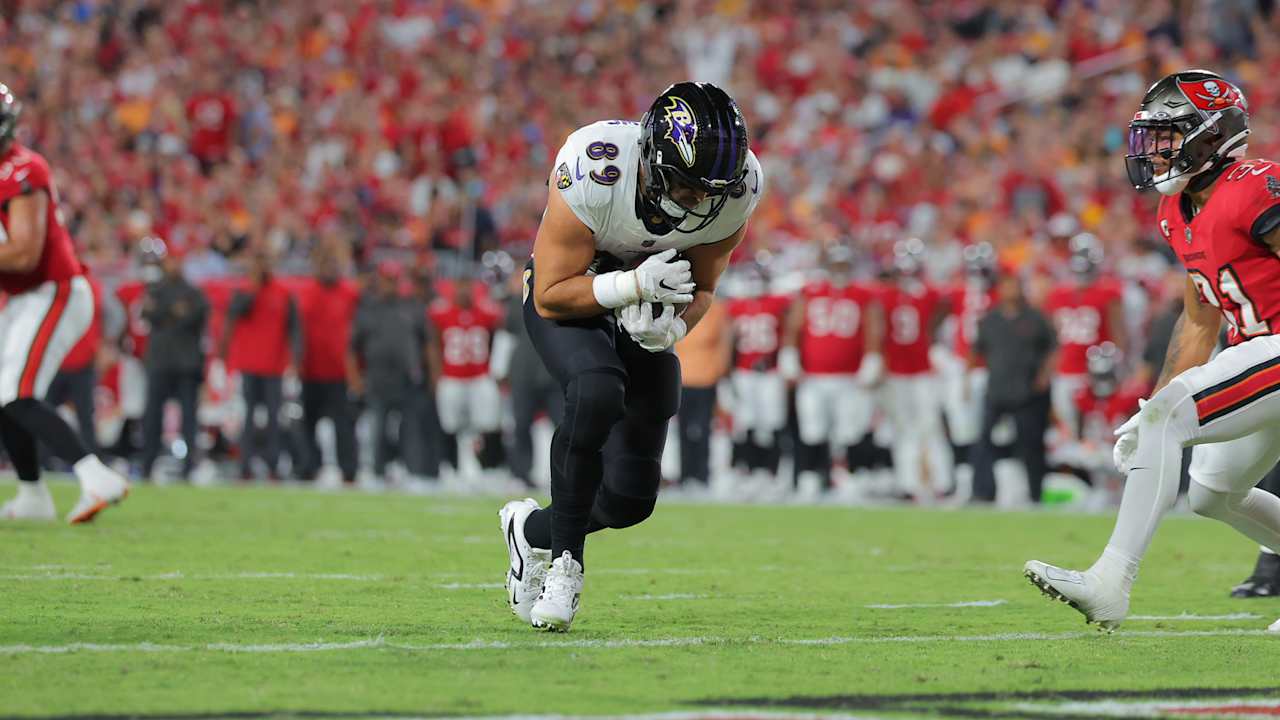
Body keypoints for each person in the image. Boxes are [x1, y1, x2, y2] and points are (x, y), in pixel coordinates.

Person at [499, 82, 764, 632]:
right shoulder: (595, 167)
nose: (699, 204)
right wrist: (632, 283)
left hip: (646, 304)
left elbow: (704, 291)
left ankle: (530, 534)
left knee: (629, 499)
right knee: (596, 388)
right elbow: (549, 293)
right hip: (575, 296)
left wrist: (670, 331)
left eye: (710, 192)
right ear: (651, 160)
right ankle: (565, 567)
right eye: (688, 188)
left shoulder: (735, 191)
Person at [1026, 70, 1280, 629]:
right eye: (1154, 137)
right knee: (1213, 493)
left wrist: (1167, 413)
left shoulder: (1259, 185)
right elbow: (1197, 322)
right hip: (1256, 352)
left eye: (1169, 135)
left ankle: (1110, 581)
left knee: (1177, 425)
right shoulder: (1174, 212)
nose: (1156, 150)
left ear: (1215, 135)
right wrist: (1152, 410)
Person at [0, 82, 130, 523]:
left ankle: (96, 475)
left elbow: (24, 252)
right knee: (4, 394)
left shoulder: (22, 170)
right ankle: (33, 495)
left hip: (54, 290)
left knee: (17, 394)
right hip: (23, 297)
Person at [779, 245, 882, 498]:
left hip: (848, 377)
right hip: (814, 376)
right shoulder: (810, 292)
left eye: (844, 265)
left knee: (849, 430)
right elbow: (794, 327)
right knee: (812, 429)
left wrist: (872, 359)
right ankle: (811, 476)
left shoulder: (861, 295)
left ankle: (847, 475)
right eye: (836, 265)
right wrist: (790, 356)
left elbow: (873, 328)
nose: (840, 270)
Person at [968, 268, 1057, 504]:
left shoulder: (1034, 318)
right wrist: (968, 380)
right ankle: (982, 492)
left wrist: (1044, 375)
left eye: (1014, 285)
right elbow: (977, 351)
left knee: (1031, 444)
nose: (1011, 290)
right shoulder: (991, 320)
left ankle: (1035, 492)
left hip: (1027, 390)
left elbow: (1051, 348)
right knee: (983, 442)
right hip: (997, 388)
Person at [879, 239, 953, 501]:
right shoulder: (895, 294)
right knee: (909, 430)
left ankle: (934, 484)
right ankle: (916, 485)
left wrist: (932, 337)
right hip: (903, 370)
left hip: (919, 370)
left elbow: (947, 306)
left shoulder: (902, 294)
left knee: (924, 429)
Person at [348, 261, 436, 483]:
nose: (390, 285)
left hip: (407, 377)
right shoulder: (367, 309)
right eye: (387, 280)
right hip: (377, 378)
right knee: (377, 428)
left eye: (394, 280)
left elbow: (428, 343)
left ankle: (412, 471)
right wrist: (354, 378)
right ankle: (377, 471)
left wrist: (434, 375)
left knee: (410, 428)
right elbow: (352, 347)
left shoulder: (412, 307)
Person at [223, 250, 301, 481]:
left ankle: (273, 466)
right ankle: (244, 466)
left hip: (274, 366)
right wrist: (253, 289)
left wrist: (295, 359)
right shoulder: (245, 290)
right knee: (247, 417)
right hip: (250, 364)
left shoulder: (283, 293)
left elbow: (294, 329)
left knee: (274, 418)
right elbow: (235, 313)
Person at [1043, 233, 1126, 439]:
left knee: (1098, 430)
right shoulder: (1057, 294)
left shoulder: (1107, 292)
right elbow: (1052, 338)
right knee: (1067, 430)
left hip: (1096, 371)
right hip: (1065, 370)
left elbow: (1119, 333)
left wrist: (1120, 364)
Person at [139, 241, 208, 481]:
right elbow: (148, 314)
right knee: (152, 417)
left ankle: (189, 466)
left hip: (186, 363)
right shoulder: (156, 289)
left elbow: (194, 316)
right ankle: (148, 463)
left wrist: (166, 314)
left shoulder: (192, 292)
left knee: (189, 417)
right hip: (160, 361)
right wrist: (172, 312)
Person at [724, 261, 790, 491]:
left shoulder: (778, 303)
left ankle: (772, 472)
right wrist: (727, 373)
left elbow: (788, 332)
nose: (755, 283)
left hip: (770, 373)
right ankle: (746, 470)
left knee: (771, 424)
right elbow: (729, 341)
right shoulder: (736, 306)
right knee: (745, 423)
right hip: (744, 373)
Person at [295, 250, 360, 485]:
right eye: (324, 264)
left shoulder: (350, 293)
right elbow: (295, 331)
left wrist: (356, 369)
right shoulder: (305, 293)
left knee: (344, 425)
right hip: (309, 369)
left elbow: (358, 333)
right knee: (307, 424)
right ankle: (309, 467)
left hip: (339, 371)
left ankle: (349, 470)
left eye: (333, 264)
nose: (329, 269)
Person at [428, 274, 503, 479]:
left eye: (467, 286)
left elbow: (497, 340)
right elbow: (434, 344)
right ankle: (451, 466)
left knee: (487, 423)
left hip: (480, 375)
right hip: (452, 375)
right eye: (460, 286)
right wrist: (436, 376)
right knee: (451, 425)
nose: (463, 291)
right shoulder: (441, 312)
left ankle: (483, 465)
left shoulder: (487, 312)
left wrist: (496, 370)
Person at [493, 268, 562, 489]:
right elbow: (506, 335)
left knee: (564, 426)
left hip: (553, 371)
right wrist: (499, 369)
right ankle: (521, 474)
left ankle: (566, 474)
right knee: (521, 425)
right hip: (524, 372)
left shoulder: (559, 299)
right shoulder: (517, 302)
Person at [674, 296, 731, 491]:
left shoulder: (715, 308)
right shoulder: (677, 303)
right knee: (683, 431)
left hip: (706, 377)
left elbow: (723, 342)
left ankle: (701, 475)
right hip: (681, 378)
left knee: (702, 430)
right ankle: (685, 475)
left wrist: (721, 370)